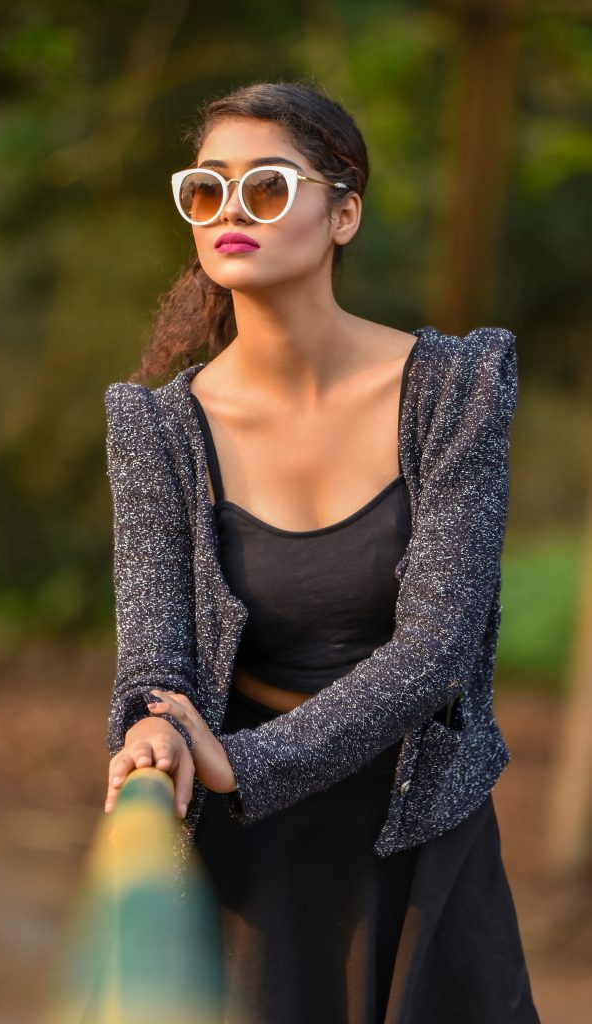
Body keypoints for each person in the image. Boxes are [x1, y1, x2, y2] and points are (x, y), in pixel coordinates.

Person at [102, 81, 541, 1024]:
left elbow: (439, 645)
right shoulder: (154, 427)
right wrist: (150, 728)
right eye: (204, 190)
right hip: (245, 859)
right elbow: (155, 657)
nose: (229, 213)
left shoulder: (454, 388)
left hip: (422, 831)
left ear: (342, 213)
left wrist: (249, 765)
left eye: (265, 188)